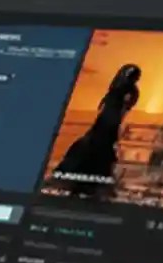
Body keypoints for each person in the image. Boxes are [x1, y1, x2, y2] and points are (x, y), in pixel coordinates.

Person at [52, 64, 142, 198]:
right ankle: (82, 185)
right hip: (105, 123)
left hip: (108, 124)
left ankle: (84, 185)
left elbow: (122, 108)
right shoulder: (121, 89)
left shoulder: (126, 90)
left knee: (94, 151)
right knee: (91, 150)